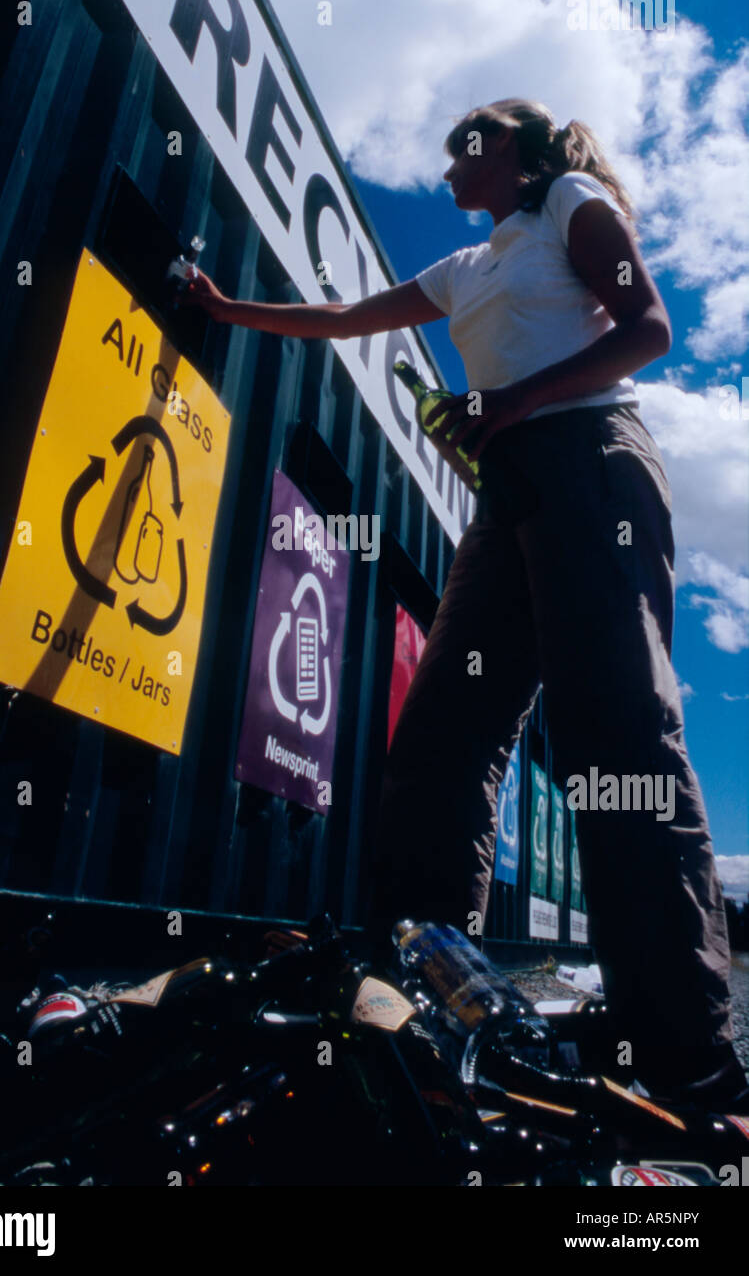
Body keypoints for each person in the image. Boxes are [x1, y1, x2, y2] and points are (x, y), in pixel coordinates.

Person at [186, 97, 747, 1109]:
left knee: (615, 734)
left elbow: (648, 328)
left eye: (467, 146)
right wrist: (230, 310)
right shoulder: (461, 268)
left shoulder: (568, 202)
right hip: (509, 492)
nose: (450, 162)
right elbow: (344, 318)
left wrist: (508, 402)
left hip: (590, 463)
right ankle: (422, 1000)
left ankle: (688, 1069)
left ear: (517, 154)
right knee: (444, 733)